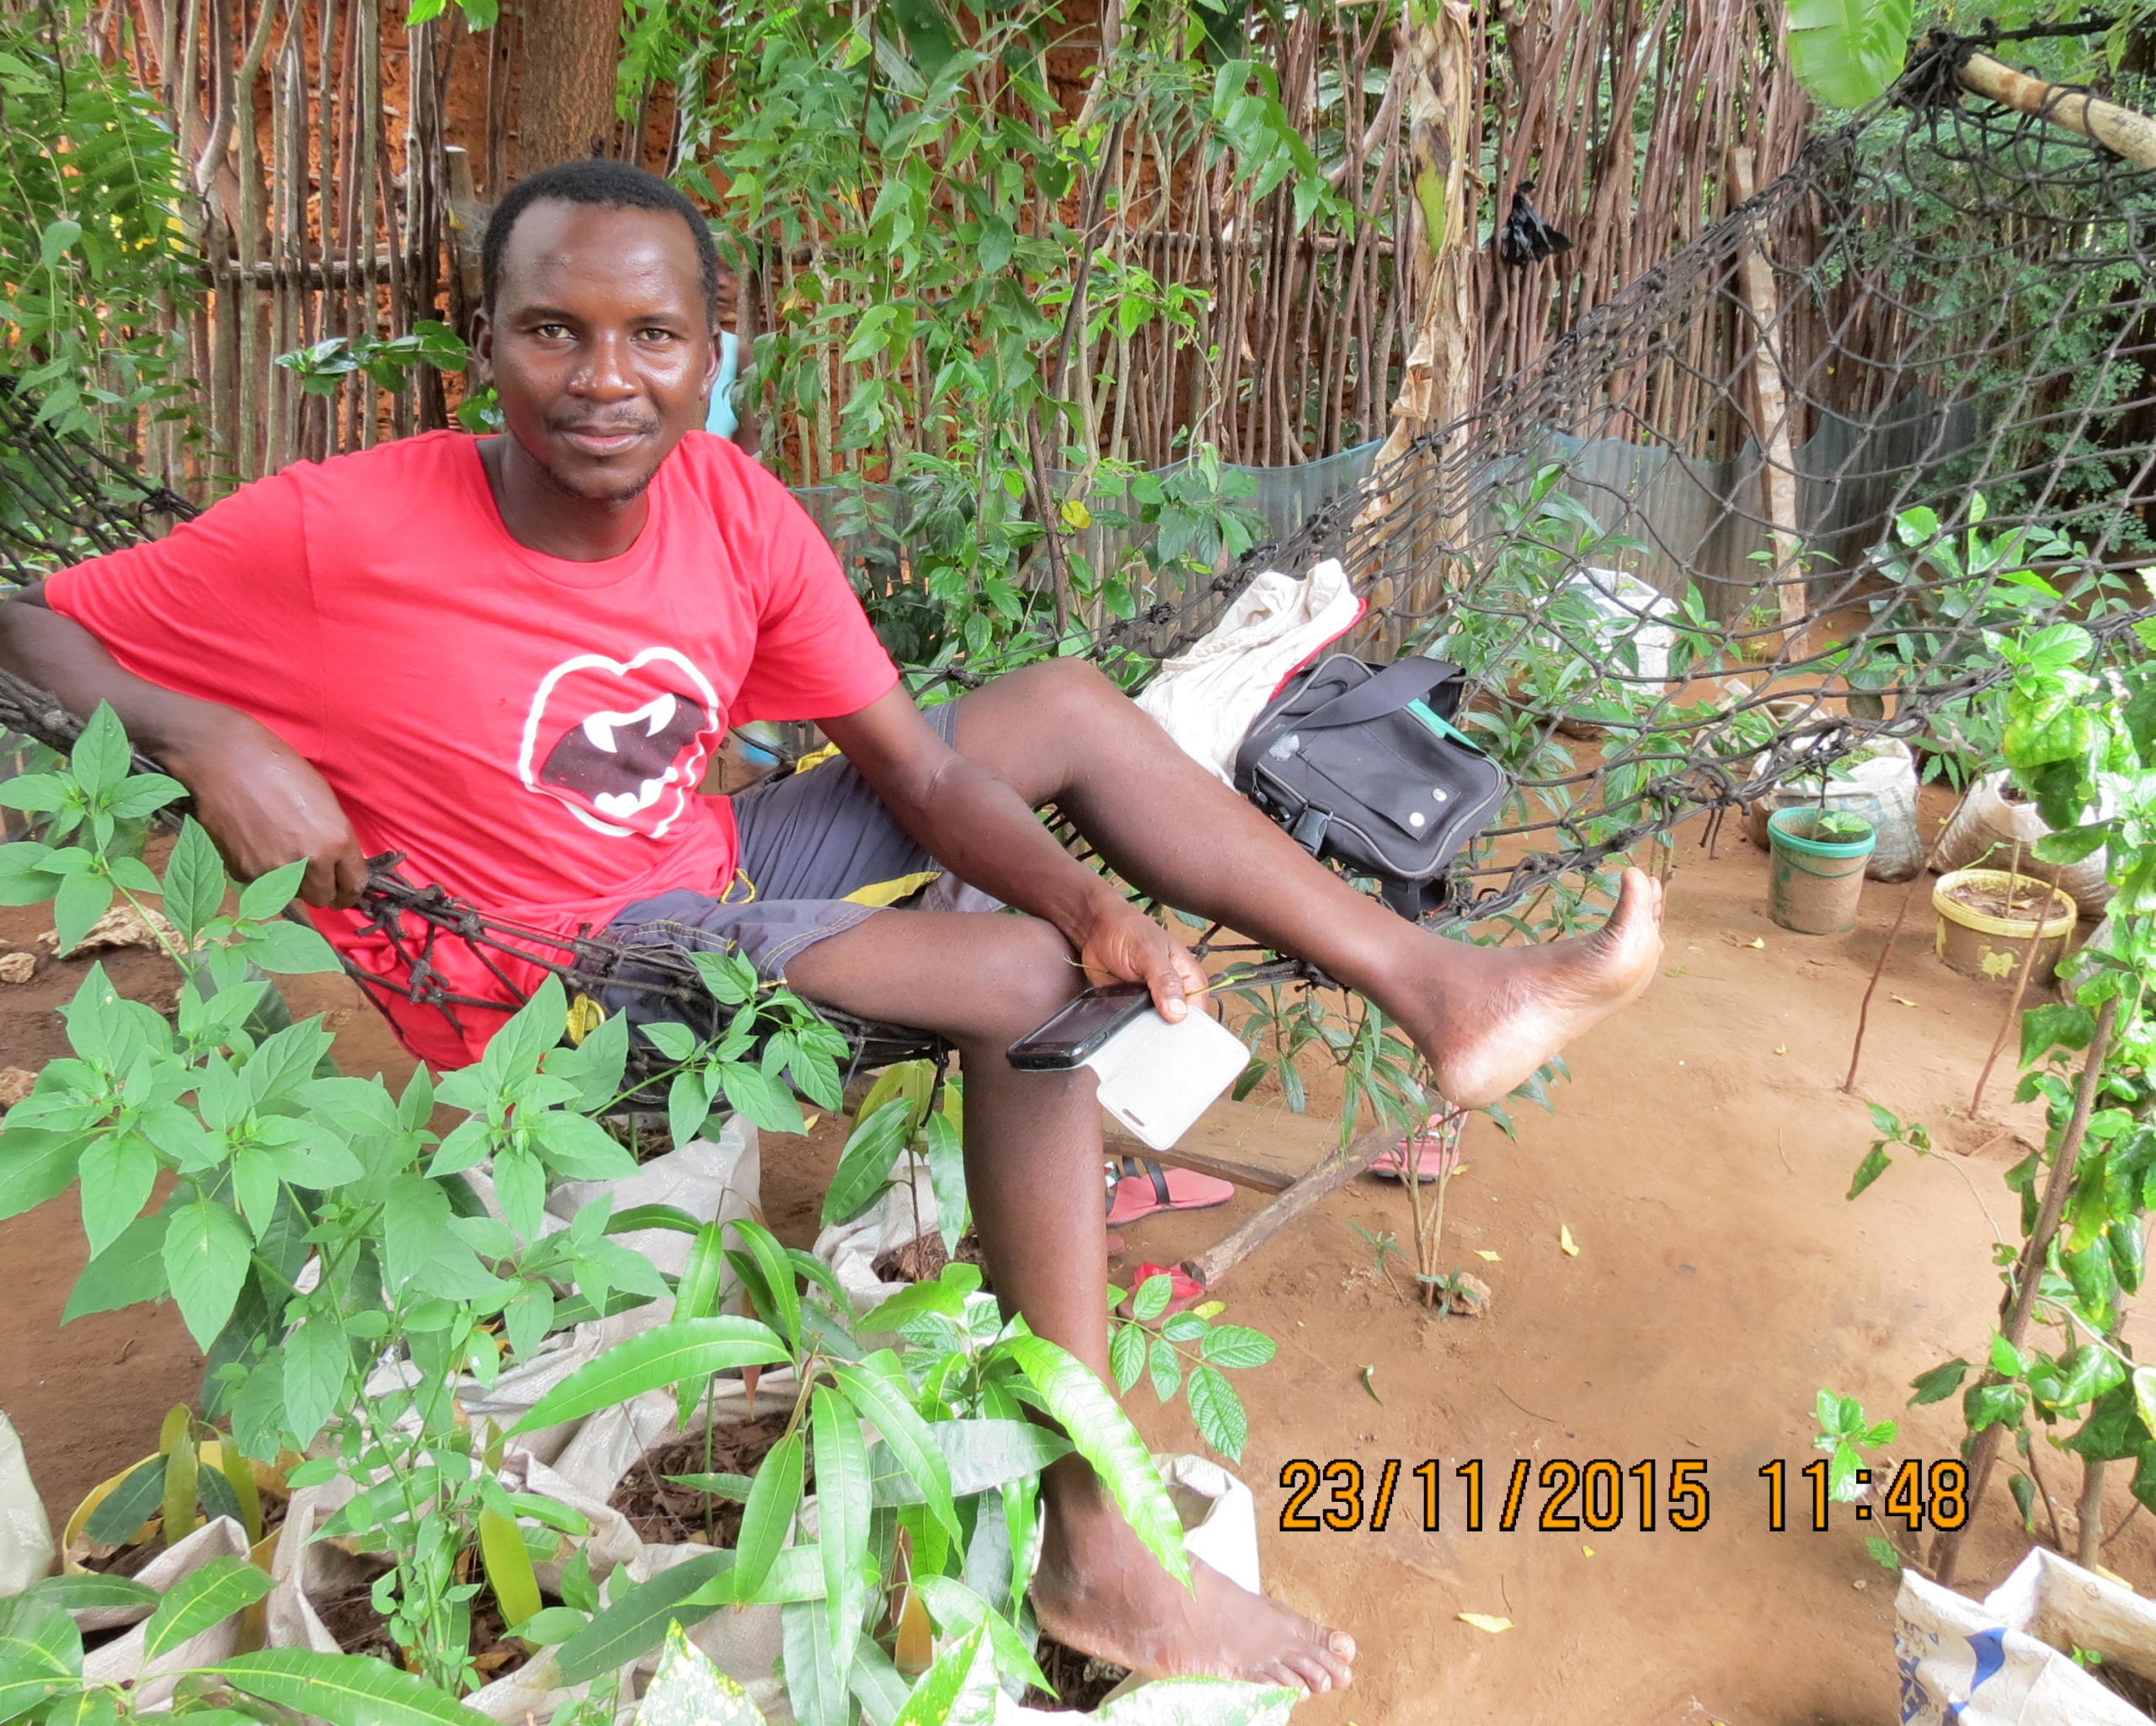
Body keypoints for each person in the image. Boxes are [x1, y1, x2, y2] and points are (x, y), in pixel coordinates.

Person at [0, 159, 1663, 1694]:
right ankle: (1094, 1539)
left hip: (704, 866)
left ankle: (1434, 984)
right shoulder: (342, 529)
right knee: (1020, 987)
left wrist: (1089, 895)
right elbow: (30, 625)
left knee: (1062, 712)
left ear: (713, 346)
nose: (603, 377)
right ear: (480, 339)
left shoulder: (733, 512)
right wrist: (205, 735)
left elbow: (929, 778)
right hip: (543, 975)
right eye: (552, 330)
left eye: (653, 333)